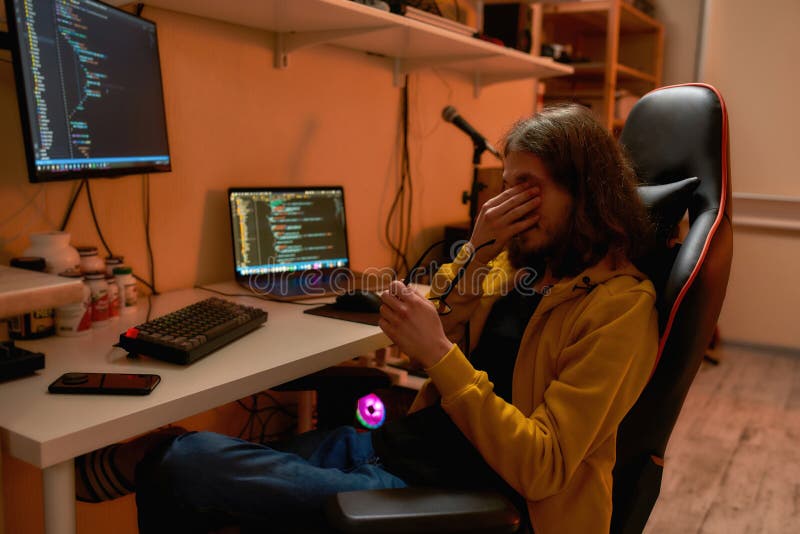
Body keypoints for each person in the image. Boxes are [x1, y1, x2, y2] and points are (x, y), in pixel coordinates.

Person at [85, 103, 658, 534]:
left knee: (186, 462)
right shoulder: (519, 262)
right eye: (505, 188)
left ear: (584, 193)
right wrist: (478, 248)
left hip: (454, 495)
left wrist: (439, 355)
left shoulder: (618, 308)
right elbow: (443, 329)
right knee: (176, 471)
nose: (509, 206)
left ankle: (148, 454)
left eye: (528, 189)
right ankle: (150, 455)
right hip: (395, 449)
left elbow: (543, 466)